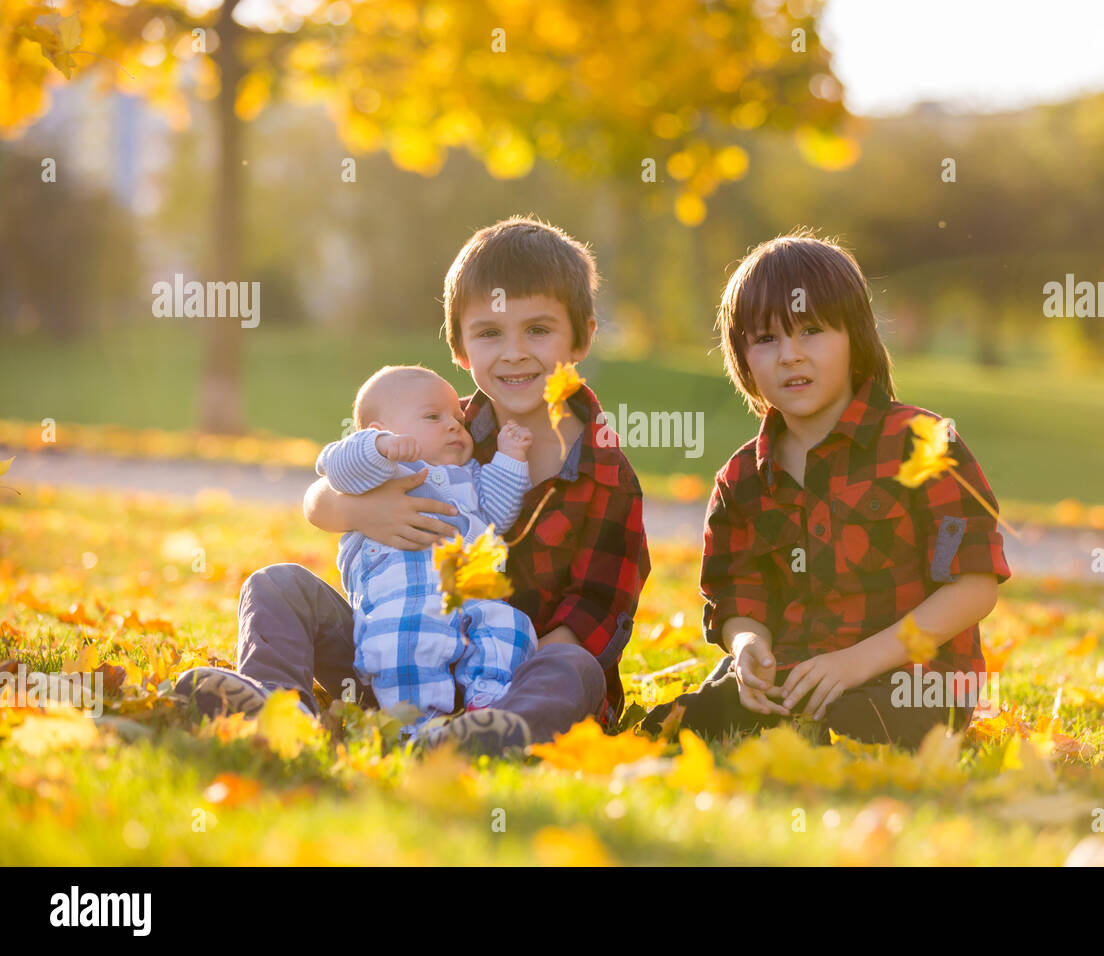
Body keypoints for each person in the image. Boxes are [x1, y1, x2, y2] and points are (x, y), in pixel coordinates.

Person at [175, 216, 651, 757]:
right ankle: (276, 708)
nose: (514, 351)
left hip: (509, 680)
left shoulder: (606, 474)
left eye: (538, 330)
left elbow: (598, 610)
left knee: (574, 667)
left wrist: (487, 671)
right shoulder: (443, 428)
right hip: (392, 651)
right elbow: (320, 498)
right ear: (461, 349)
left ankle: (487, 735)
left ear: (583, 336)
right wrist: (364, 512)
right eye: (490, 332)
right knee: (277, 585)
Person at [642, 230, 1011, 747]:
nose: (790, 355)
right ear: (742, 359)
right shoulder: (741, 480)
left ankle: (814, 726)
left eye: (811, 331)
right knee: (697, 723)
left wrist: (859, 661)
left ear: (855, 338)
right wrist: (748, 644)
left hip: (910, 676)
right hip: (799, 672)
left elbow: (973, 587)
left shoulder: (923, 445)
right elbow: (736, 593)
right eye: (766, 339)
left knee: (867, 723)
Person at [316, 364, 534, 725]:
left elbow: (498, 513)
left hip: (473, 596)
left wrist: (510, 458)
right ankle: (417, 726)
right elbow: (336, 464)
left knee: (512, 628)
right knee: (407, 644)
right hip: (404, 598)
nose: (453, 425)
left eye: (458, 419)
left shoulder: (468, 475)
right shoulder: (381, 469)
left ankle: (487, 704)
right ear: (379, 431)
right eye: (433, 417)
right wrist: (380, 448)